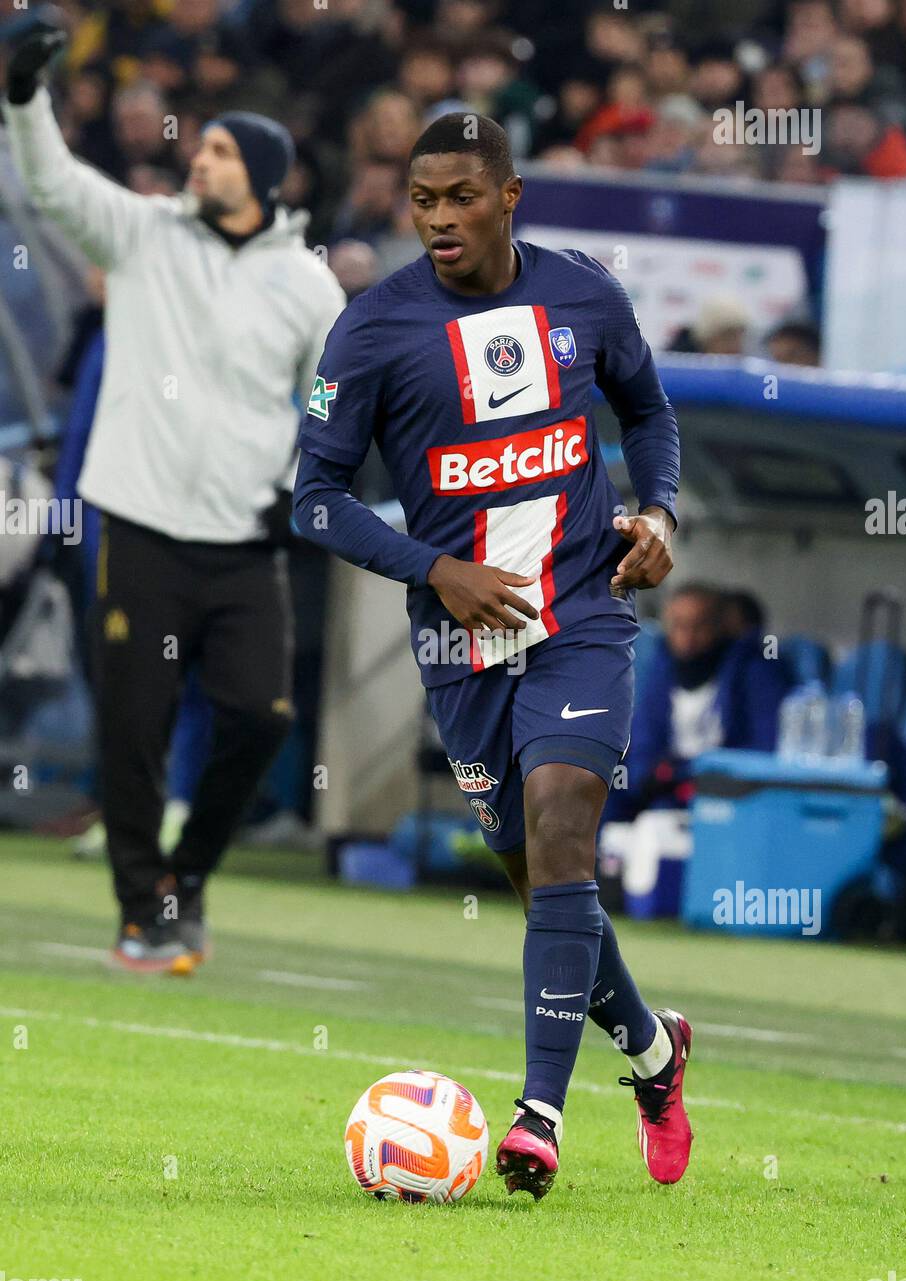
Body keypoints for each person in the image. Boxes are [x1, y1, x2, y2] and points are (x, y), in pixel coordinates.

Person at [293, 113, 692, 1200]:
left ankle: (537, 1119)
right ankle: (655, 1054)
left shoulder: (584, 297)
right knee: (538, 879)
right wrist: (435, 570)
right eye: (421, 200)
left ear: (508, 196)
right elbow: (313, 502)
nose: (436, 220)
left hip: (581, 611)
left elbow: (647, 408)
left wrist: (656, 508)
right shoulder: (370, 331)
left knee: (565, 824)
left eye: (459, 197)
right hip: (458, 641)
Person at [3, 22, 346, 974]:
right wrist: (26, 95)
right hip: (140, 529)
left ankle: (185, 880)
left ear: (270, 176)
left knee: (261, 716)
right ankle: (137, 911)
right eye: (204, 147)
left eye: (227, 152)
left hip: (245, 540)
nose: (203, 159)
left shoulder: (309, 287)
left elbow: (331, 399)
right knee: (135, 730)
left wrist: (302, 486)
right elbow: (54, 186)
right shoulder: (146, 235)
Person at [605, 583, 787, 822]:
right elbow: (643, 744)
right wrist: (654, 777)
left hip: (726, 794)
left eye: (699, 626)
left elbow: (763, 750)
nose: (688, 637)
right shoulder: (661, 669)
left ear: (722, 627)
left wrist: (697, 775)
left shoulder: (755, 673)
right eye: (679, 626)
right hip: (667, 792)